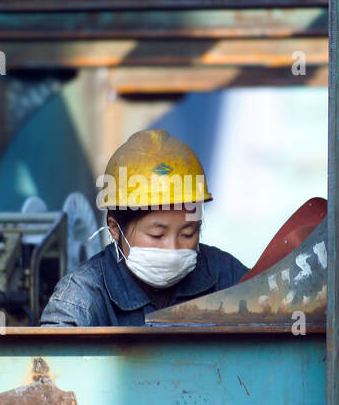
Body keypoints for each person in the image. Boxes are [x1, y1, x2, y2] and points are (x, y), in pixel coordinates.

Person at [40, 129, 248, 326]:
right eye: (157, 235)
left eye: (188, 233)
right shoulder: (81, 298)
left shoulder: (225, 277)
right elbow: (50, 360)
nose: (173, 249)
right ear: (115, 228)